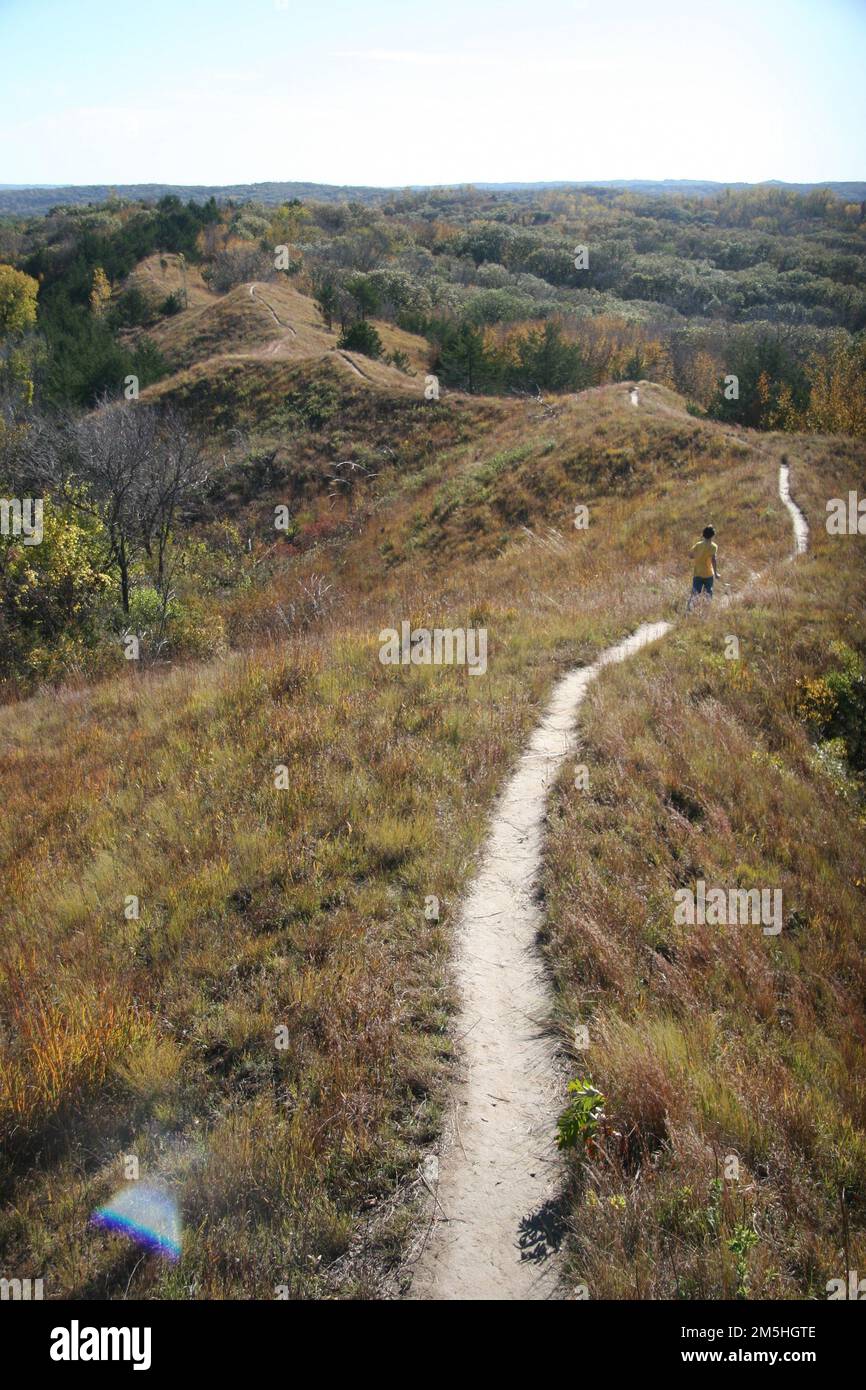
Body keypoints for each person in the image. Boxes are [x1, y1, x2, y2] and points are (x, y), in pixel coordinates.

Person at [688, 524, 719, 609]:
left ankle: (690, 610)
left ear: (703, 534)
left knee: (695, 593)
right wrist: (716, 573)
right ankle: (706, 610)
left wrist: (697, 556)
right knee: (708, 594)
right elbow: (714, 560)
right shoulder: (714, 546)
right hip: (709, 574)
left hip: (697, 573)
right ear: (713, 535)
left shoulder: (698, 545)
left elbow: (690, 555)